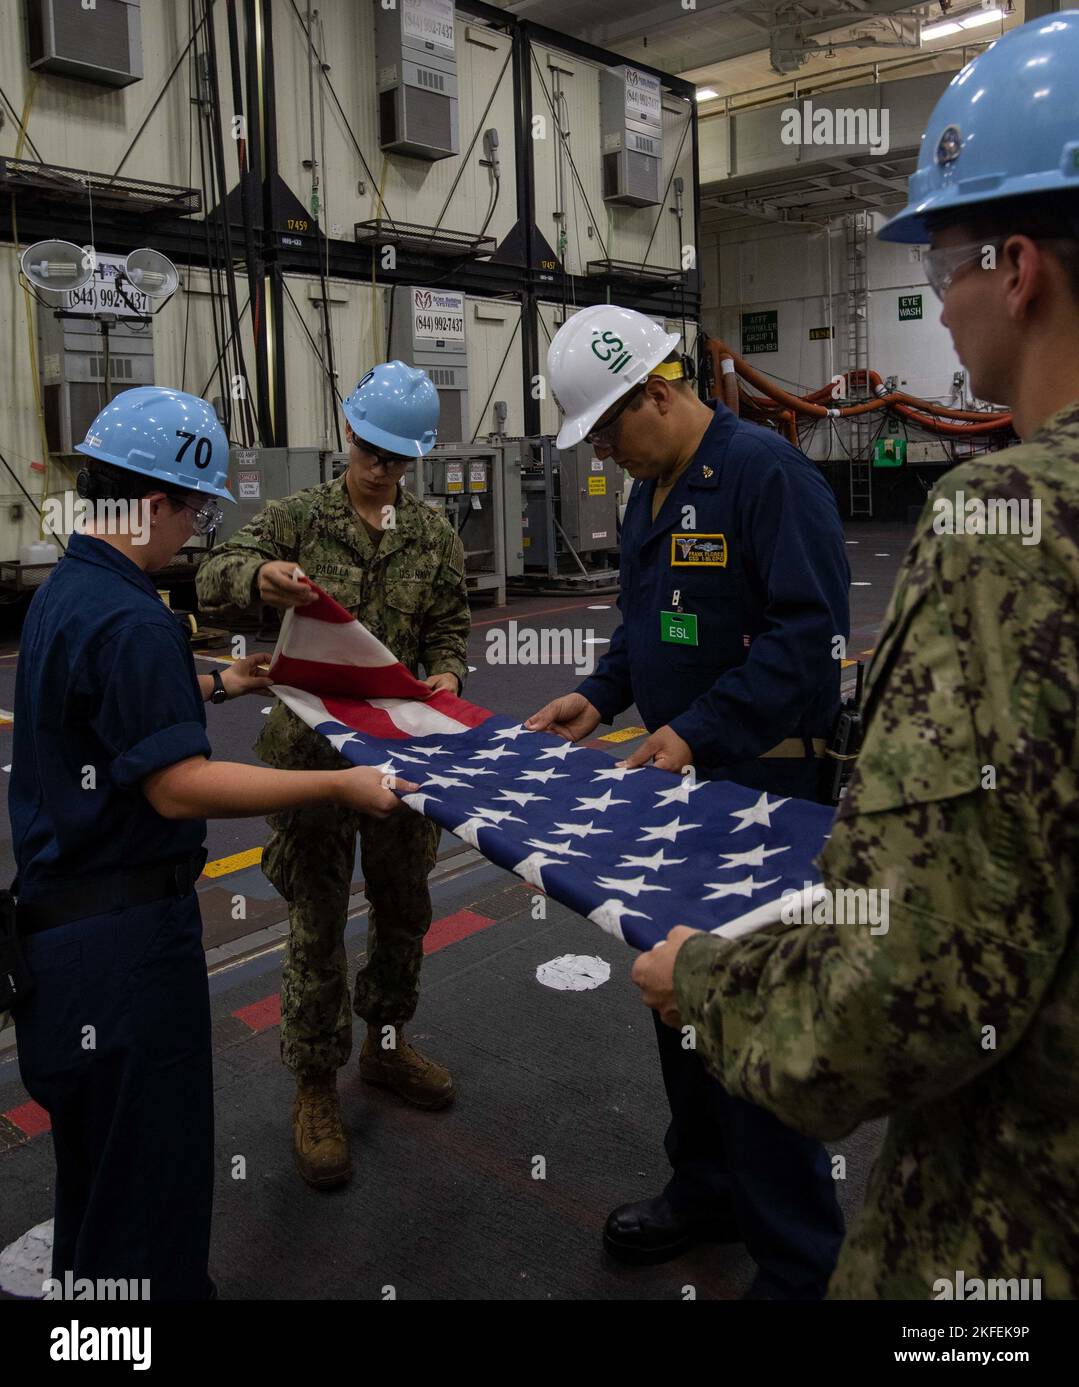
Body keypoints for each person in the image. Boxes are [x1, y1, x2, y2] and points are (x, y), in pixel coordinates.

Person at [632, 13, 1079, 1299]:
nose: (937, 308)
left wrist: (710, 987)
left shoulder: (1009, 527)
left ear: (1017, 268)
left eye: (940, 265)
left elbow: (921, 981)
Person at [9, 387, 411, 1299]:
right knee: (149, 1204)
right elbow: (180, 785)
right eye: (193, 514)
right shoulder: (135, 619)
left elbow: (103, 712)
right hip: (126, 954)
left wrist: (219, 682)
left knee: (99, 1197)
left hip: (56, 944)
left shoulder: (66, 592)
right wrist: (342, 783)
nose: (192, 535)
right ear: (156, 502)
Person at [526, 305, 849, 1299]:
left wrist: (697, 731)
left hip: (761, 788)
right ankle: (705, 1186)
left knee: (752, 1006)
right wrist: (598, 693)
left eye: (609, 431)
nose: (608, 455)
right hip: (681, 789)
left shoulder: (763, 475)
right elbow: (646, 623)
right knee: (680, 996)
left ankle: (797, 1257)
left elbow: (809, 639)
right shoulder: (650, 491)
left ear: (657, 395)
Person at [196, 362, 470, 1189]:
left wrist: (449, 677)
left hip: (400, 762)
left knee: (403, 912)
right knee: (315, 926)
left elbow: (451, 626)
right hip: (311, 766)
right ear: (347, 435)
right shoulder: (296, 520)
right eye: (369, 448)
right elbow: (212, 579)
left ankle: (384, 1049)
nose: (380, 468)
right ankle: (315, 1084)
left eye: (396, 457)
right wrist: (258, 577)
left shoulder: (432, 533)